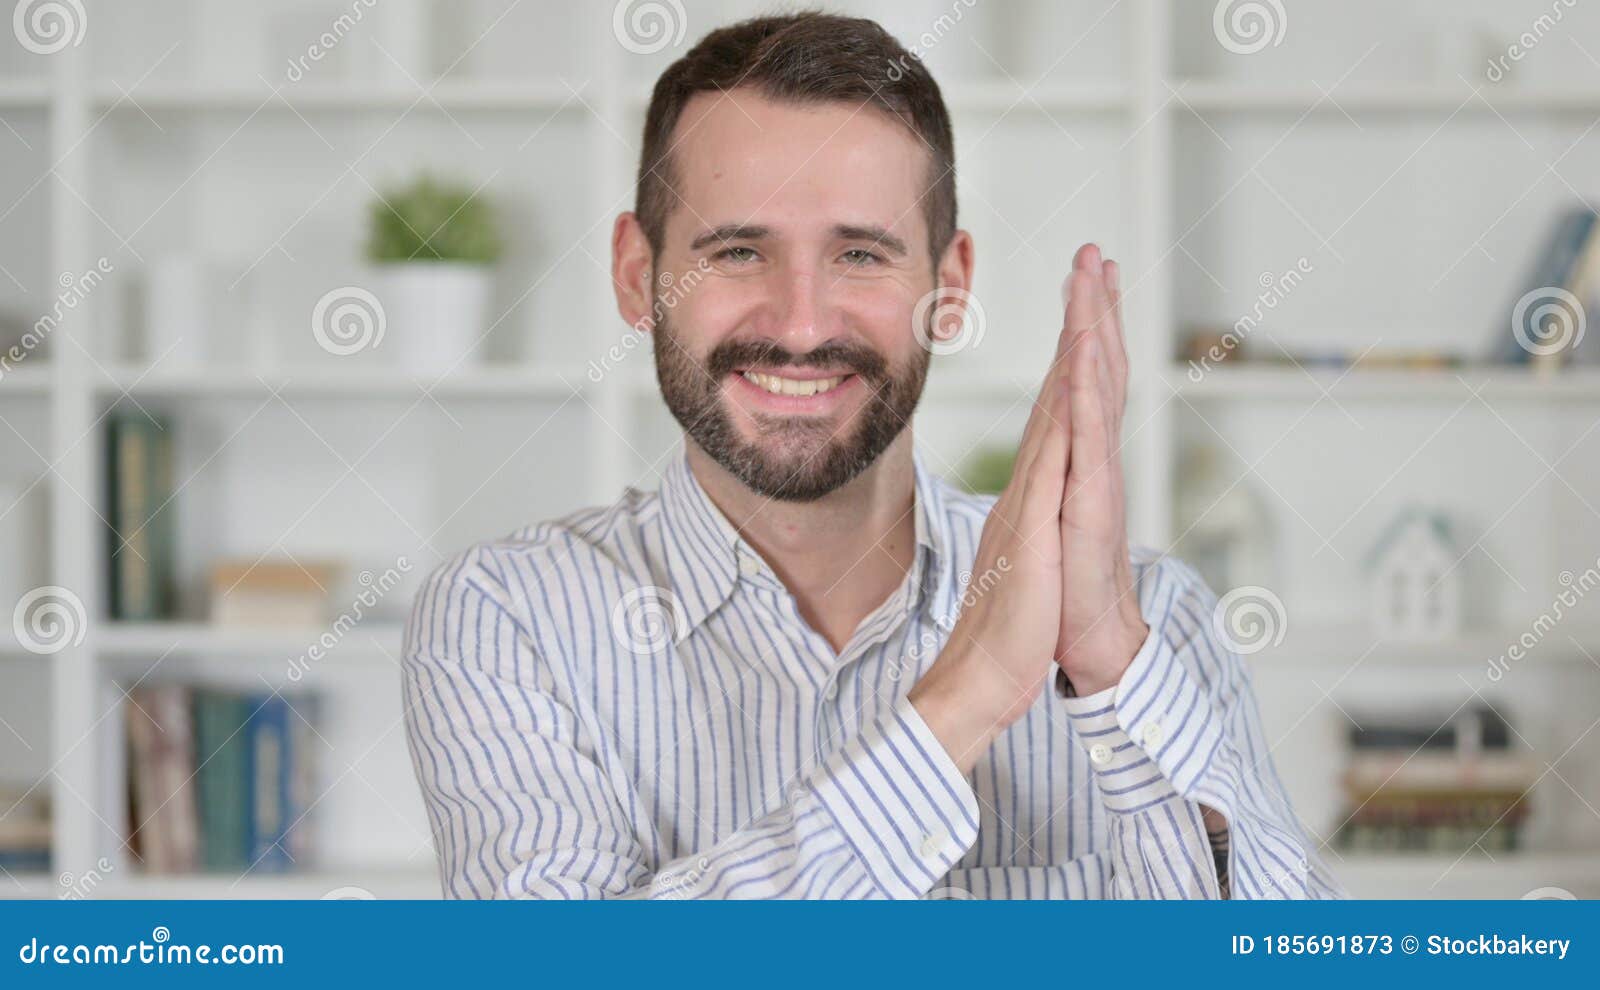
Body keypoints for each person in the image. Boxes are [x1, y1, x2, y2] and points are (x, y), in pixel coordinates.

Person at [401, 11, 1342, 900]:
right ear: (639, 275)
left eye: (860, 255)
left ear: (950, 283)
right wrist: (965, 696)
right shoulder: (504, 619)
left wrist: (1108, 668)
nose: (801, 324)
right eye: (736, 252)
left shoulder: (1155, 621)